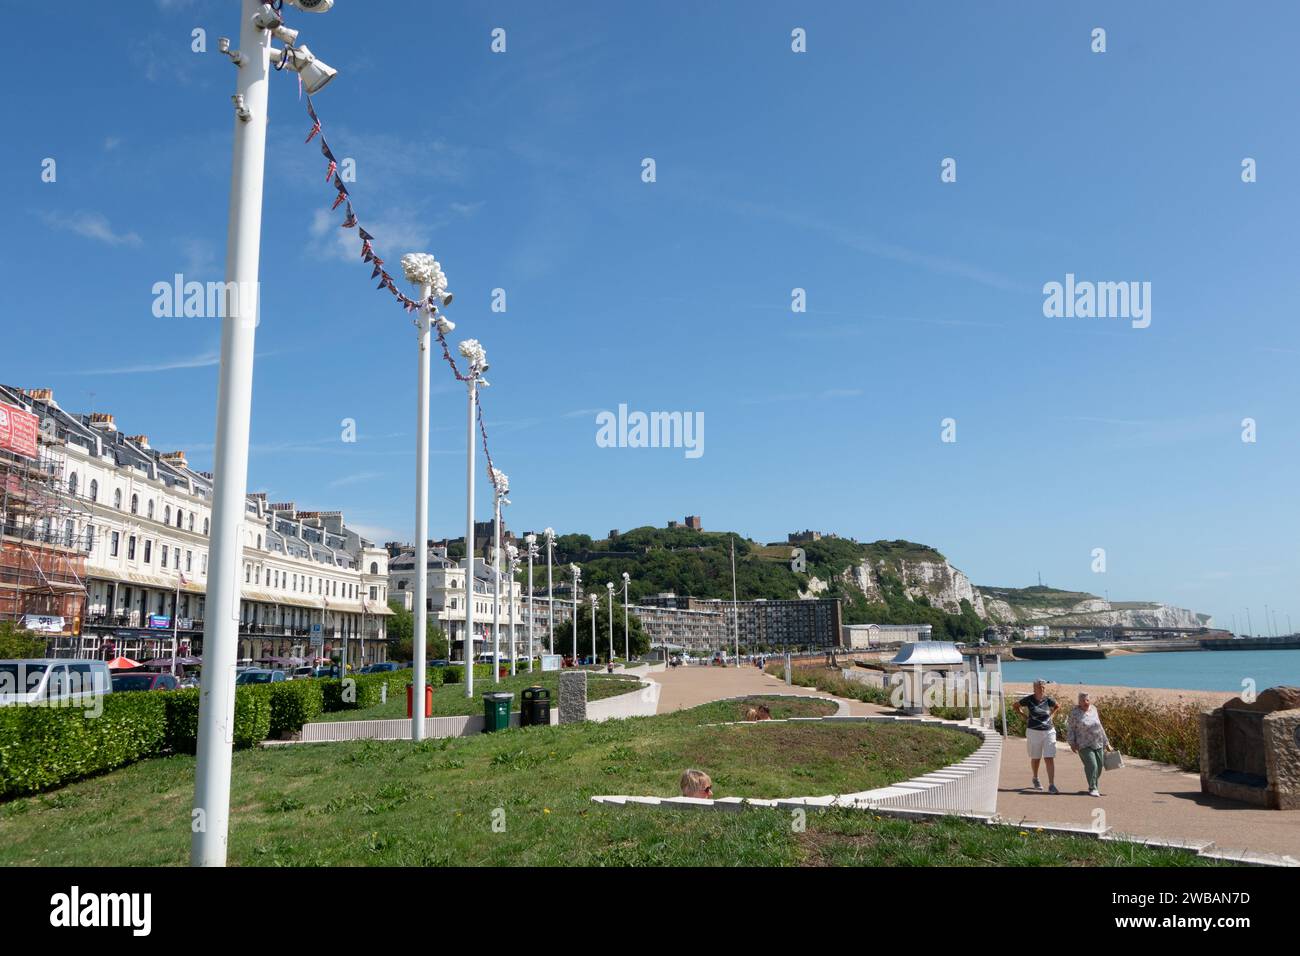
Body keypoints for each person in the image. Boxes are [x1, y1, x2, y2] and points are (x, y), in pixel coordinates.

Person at [1014, 679, 1060, 793]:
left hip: (1048, 731)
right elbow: (1015, 706)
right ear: (1034, 688)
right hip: (1034, 732)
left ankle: (1051, 784)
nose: (1042, 689)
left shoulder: (1048, 699)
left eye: (1043, 687)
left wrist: (1052, 717)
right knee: (1036, 757)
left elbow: (1057, 706)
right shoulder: (1029, 699)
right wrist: (1024, 716)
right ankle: (1035, 778)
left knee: (1049, 757)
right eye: (1039, 687)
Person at [1066, 692, 1112, 797]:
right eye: (1083, 700)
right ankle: (1093, 788)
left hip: (1098, 741)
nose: (1086, 702)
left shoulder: (1094, 709)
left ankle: (1093, 783)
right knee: (1092, 765)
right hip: (1083, 743)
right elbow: (1070, 728)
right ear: (1079, 702)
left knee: (1099, 767)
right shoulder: (1075, 712)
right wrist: (1072, 742)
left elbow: (1100, 727)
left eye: (1087, 700)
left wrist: (1107, 742)